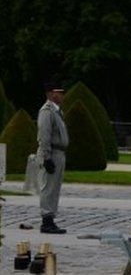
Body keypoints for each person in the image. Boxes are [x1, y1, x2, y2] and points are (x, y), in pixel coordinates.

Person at [36, 81, 69, 234]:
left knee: (54, 187)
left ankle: (50, 219)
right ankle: (46, 220)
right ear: (50, 93)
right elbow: (44, 136)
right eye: (58, 92)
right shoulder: (47, 111)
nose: (61, 95)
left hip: (59, 153)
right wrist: (47, 157)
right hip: (52, 153)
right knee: (48, 187)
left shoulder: (56, 111)